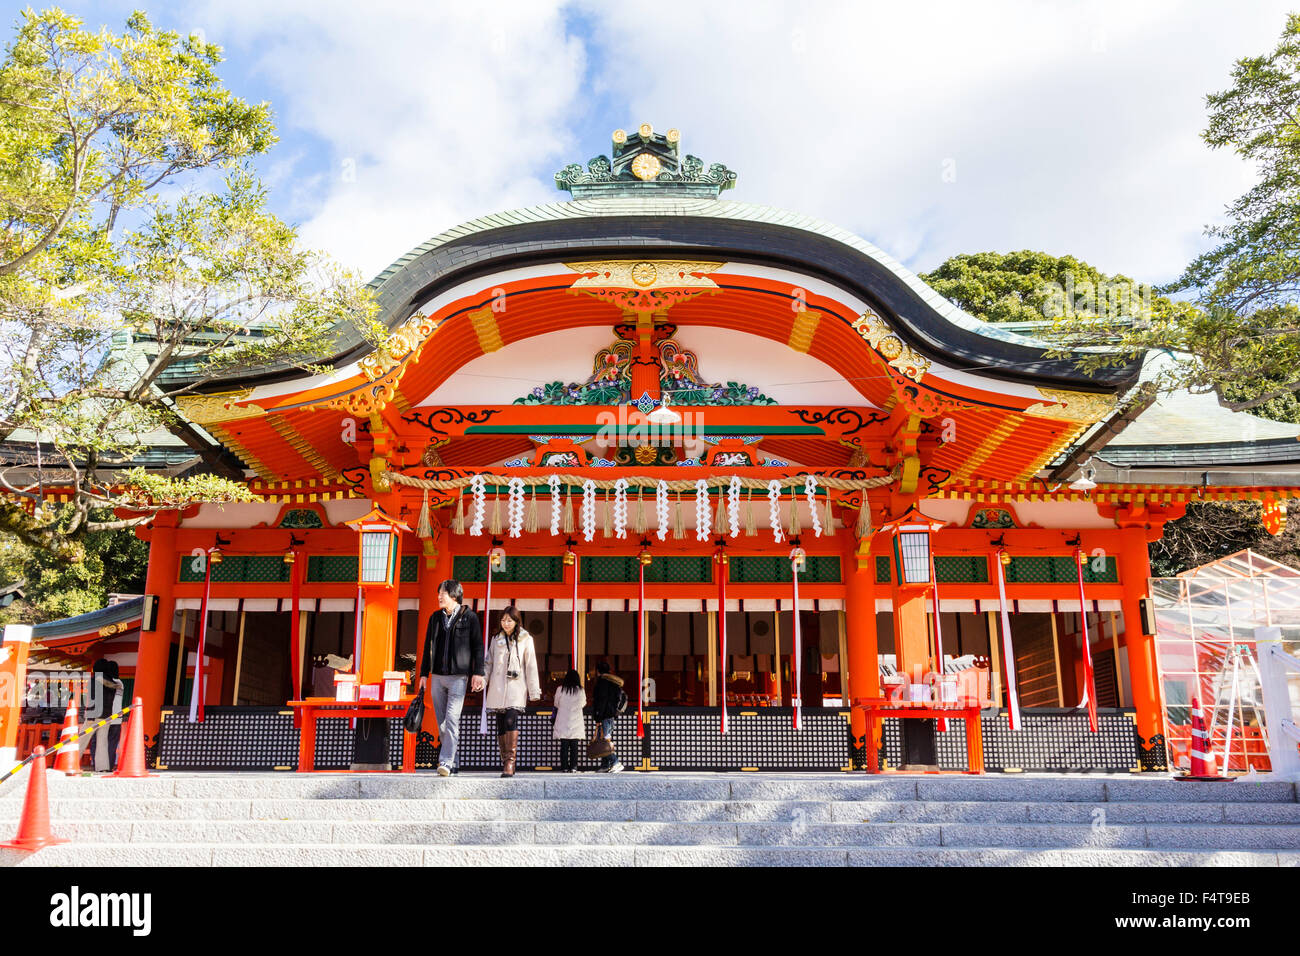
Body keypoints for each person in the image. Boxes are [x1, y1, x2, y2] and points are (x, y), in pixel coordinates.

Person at [417, 579, 484, 776]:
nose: (439, 597)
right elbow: (427, 646)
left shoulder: (469, 618)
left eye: (443, 594)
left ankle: (445, 762)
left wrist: (478, 673)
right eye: (439, 593)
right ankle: (453, 759)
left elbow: (478, 646)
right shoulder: (435, 618)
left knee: (452, 719)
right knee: (442, 722)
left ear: (454, 596)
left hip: (458, 678)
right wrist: (423, 673)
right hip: (437, 676)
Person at [482, 605, 540, 777]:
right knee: (500, 724)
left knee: (510, 721)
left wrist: (534, 690)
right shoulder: (496, 639)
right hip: (498, 687)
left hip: (516, 687)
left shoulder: (525, 639)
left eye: (509, 620)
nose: (505, 623)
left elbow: (531, 665)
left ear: (516, 622)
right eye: (503, 620)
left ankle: (510, 762)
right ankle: (504, 761)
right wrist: (483, 680)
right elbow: (488, 663)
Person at [86, 658, 124, 772]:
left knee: (95, 741)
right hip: (116, 718)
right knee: (110, 744)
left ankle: (95, 764)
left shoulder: (102, 680)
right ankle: (108, 766)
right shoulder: (120, 683)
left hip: (103, 715)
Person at [591, 660, 626, 773]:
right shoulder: (614, 683)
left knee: (605, 741)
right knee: (604, 740)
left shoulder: (602, 683)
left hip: (604, 716)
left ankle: (616, 762)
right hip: (610, 716)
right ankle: (605, 764)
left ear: (598, 671)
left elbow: (601, 701)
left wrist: (598, 717)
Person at [552, 668, 586, 773]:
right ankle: (574, 767)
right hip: (576, 720)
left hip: (563, 719)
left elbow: (556, 704)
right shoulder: (581, 690)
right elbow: (583, 703)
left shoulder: (560, 689)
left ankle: (564, 767)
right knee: (574, 746)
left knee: (564, 745)